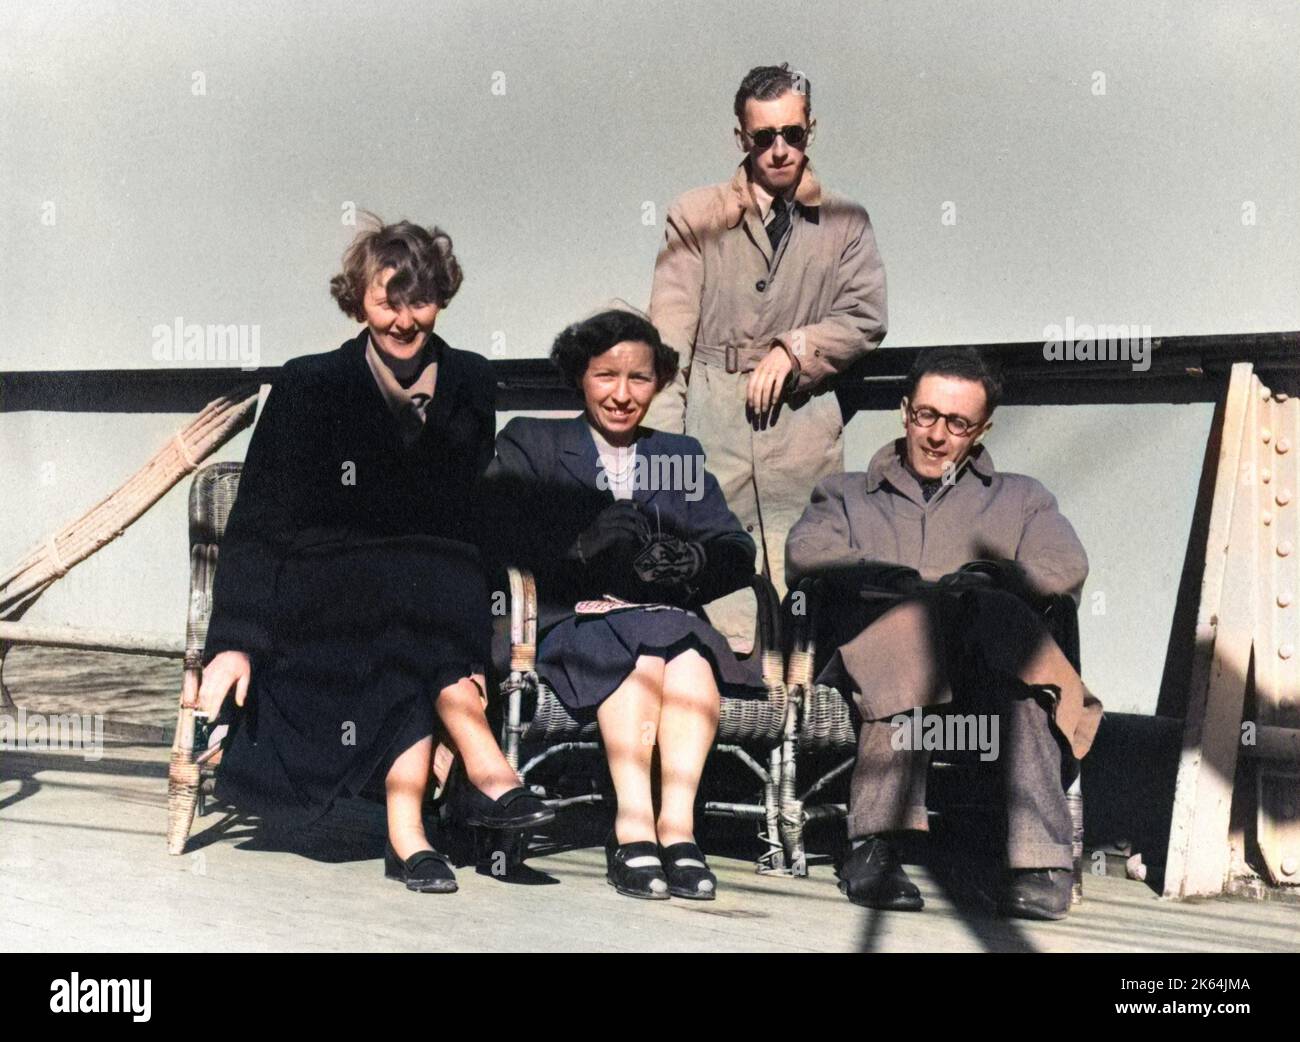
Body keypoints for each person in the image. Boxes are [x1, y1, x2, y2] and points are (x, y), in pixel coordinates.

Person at [195, 217, 551, 895]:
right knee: (416, 583)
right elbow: (259, 521)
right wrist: (235, 641)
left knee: (424, 589)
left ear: (442, 299)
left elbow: (467, 513)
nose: (404, 320)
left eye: (420, 300)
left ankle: (407, 835)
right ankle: (486, 764)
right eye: (388, 301)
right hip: (323, 591)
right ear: (358, 300)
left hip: (421, 598)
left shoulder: (472, 381)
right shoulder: (308, 384)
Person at [785, 347, 1103, 921]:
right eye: (926, 415)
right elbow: (808, 553)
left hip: (986, 665)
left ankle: (1040, 864)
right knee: (916, 629)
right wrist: (889, 580)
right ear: (905, 411)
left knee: (1020, 673)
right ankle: (875, 846)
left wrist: (997, 578)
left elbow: (1064, 564)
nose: (936, 435)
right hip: (875, 666)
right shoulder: (847, 493)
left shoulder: (1022, 498)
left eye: (957, 423)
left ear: (982, 429)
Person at [483, 309, 766, 900]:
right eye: (605, 375)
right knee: (648, 653)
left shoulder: (676, 453)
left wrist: (695, 562)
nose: (622, 394)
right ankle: (634, 825)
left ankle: (680, 832)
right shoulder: (533, 441)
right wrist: (579, 548)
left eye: (639, 378)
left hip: (664, 621)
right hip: (568, 621)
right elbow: (493, 537)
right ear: (579, 377)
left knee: (686, 653)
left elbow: (735, 545)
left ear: (658, 383)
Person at [646, 62, 888, 649]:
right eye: (764, 137)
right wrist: (662, 452)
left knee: (800, 584)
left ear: (811, 130)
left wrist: (796, 350)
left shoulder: (846, 221)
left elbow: (865, 315)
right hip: (711, 419)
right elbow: (667, 341)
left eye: (793, 134)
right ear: (741, 139)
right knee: (711, 581)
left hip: (801, 426)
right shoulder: (696, 215)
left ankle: (798, 729)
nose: (780, 150)